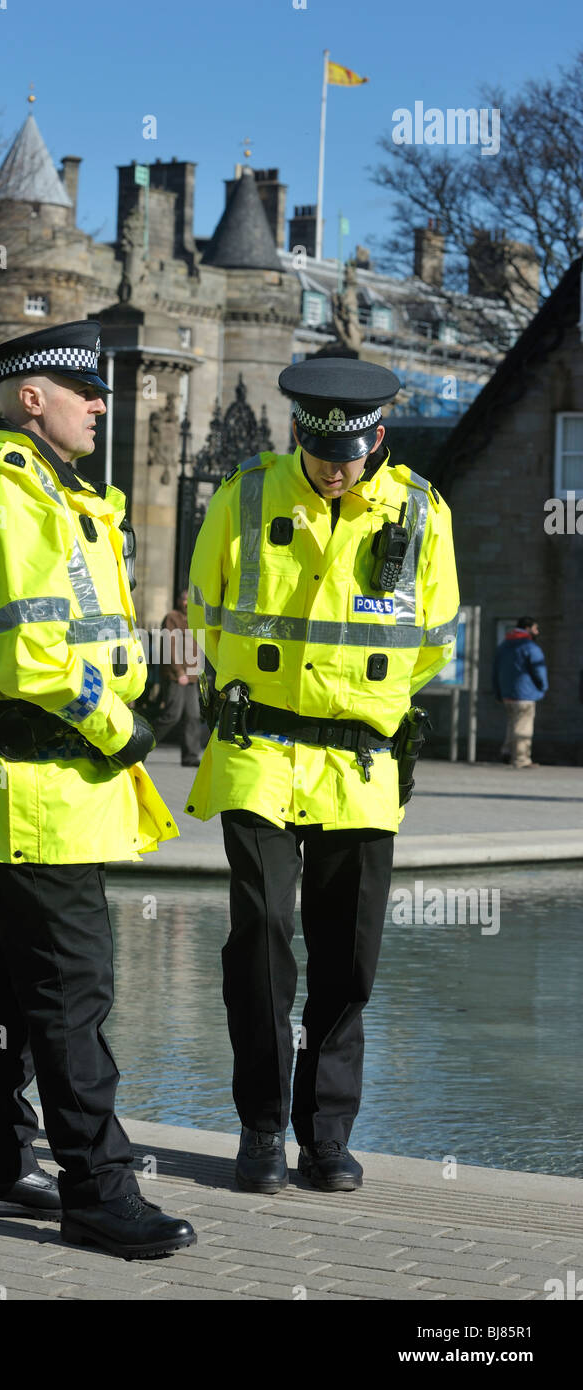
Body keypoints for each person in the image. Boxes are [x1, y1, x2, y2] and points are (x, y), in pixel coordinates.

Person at [0, 319, 195, 1260]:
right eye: (86, 391)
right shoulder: (4, 491)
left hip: (41, 787)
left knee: (8, 990)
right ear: (32, 397)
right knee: (74, 993)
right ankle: (99, 1191)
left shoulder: (46, 490)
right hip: (37, 786)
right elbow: (32, 651)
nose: (102, 404)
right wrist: (125, 725)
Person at [184, 358, 459, 1195]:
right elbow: (205, 609)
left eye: (348, 455)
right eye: (318, 452)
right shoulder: (246, 494)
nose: (333, 470)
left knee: (349, 960)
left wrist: (361, 707)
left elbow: (435, 642)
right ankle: (262, 1129)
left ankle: (326, 1139)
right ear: (297, 434)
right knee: (262, 939)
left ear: (378, 439)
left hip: (362, 765)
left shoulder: (422, 512)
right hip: (258, 754)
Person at [149, 588, 205, 766]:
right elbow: (170, 646)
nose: (187, 603)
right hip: (176, 675)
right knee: (171, 715)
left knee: (193, 715)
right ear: (180, 601)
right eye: (185, 599)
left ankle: (190, 756)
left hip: (192, 676)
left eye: (191, 600)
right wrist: (179, 672)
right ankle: (142, 745)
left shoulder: (197, 619)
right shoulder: (172, 618)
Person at [492, 617, 548, 768]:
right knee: (523, 726)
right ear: (528, 628)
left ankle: (508, 752)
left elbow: (495, 670)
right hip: (525, 693)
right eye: (536, 628)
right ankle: (521, 759)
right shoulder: (529, 647)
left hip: (506, 693)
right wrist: (543, 687)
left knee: (512, 724)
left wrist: (498, 692)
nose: (538, 632)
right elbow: (539, 670)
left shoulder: (504, 645)